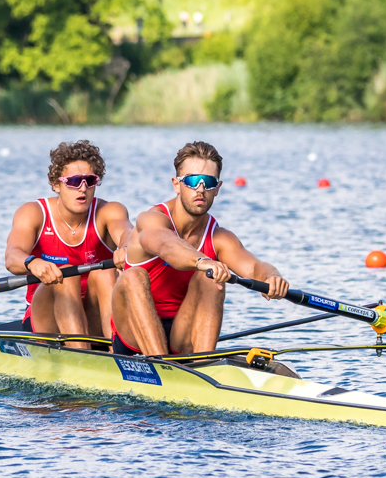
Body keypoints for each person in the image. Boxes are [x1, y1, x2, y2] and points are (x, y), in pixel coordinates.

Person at [110, 140, 288, 356]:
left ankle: (204, 364)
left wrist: (272, 277)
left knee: (210, 279)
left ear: (218, 189)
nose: (200, 189)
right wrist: (202, 261)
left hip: (181, 333)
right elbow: (166, 245)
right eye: (193, 180)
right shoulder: (151, 219)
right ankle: (162, 364)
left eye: (209, 182)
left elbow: (255, 268)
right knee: (133, 276)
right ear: (176, 184)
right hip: (133, 335)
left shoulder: (219, 237)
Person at [3, 140, 131, 348]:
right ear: (56, 184)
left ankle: (116, 354)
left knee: (105, 273)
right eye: (73, 181)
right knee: (66, 275)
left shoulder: (110, 212)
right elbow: (12, 257)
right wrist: (33, 263)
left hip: (94, 317)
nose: (82, 188)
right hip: (47, 320)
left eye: (90, 180)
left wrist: (126, 248)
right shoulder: (33, 213)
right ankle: (82, 356)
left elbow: (128, 233)